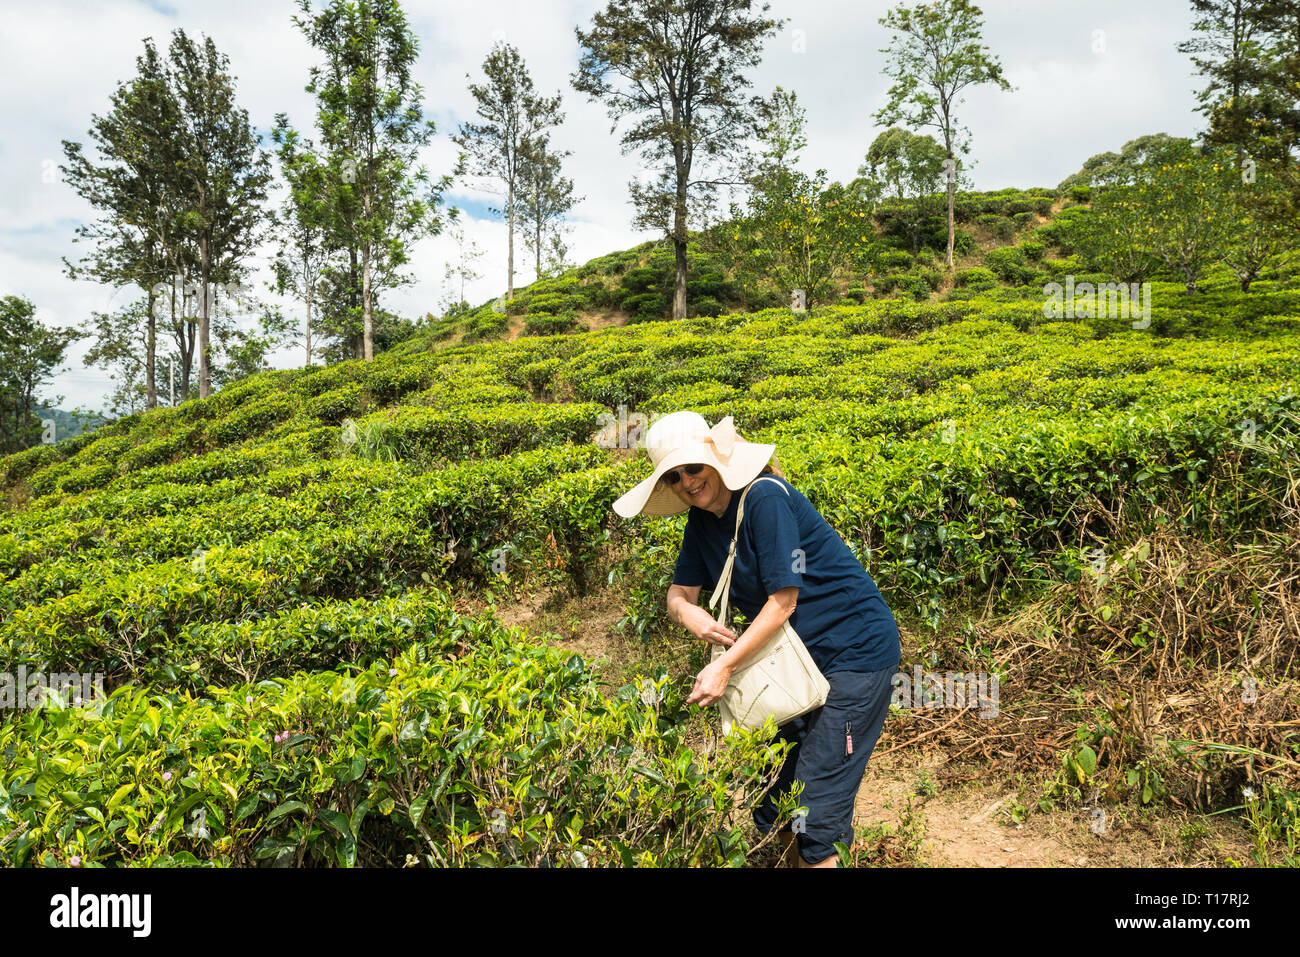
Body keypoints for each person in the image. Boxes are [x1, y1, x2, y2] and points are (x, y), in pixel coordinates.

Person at [612, 410, 901, 868]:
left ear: (715, 462)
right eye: (674, 475)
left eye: (693, 468)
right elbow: (678, 592)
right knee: (775, 798)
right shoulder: (703, 521)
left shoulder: (765, 497)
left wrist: (723, 666)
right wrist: (689, 613)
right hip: (790, 664)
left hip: (853, 653)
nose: (688, 482)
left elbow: (783, 601)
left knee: (817, 807)